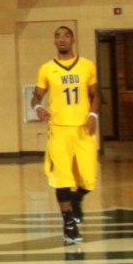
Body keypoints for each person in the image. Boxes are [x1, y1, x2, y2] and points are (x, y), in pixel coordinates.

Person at [30, 26, 100, 245]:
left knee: (88, 180)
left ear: (73, 40)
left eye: (66, 36)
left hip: (82, 129)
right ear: (54, 42)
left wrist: (93, 114)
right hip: (59, 129)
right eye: (58, 36)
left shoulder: (87, 65)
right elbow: (36, 96)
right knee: (62, 179)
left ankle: (77, 199)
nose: (62, 40)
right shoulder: (47, 69)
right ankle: (69, 224)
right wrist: (37, 107)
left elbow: (96, 94)